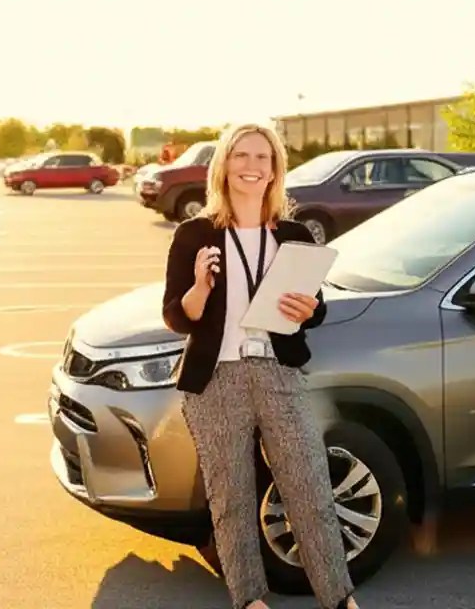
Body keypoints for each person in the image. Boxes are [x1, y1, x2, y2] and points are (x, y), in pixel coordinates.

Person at [162, 123, 360, 609]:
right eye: (242, 156)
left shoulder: (292, 235)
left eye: (262, 159)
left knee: (311, 488)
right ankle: (250, 600)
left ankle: (339, 600)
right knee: (231, 500)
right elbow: (174, 316)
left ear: (275, 171)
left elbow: (316, 306)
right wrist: (200, 290)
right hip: (216, 381)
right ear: (224, 165)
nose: (252, 167)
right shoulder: (194, 234)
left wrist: (310, 310)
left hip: (278, 372)